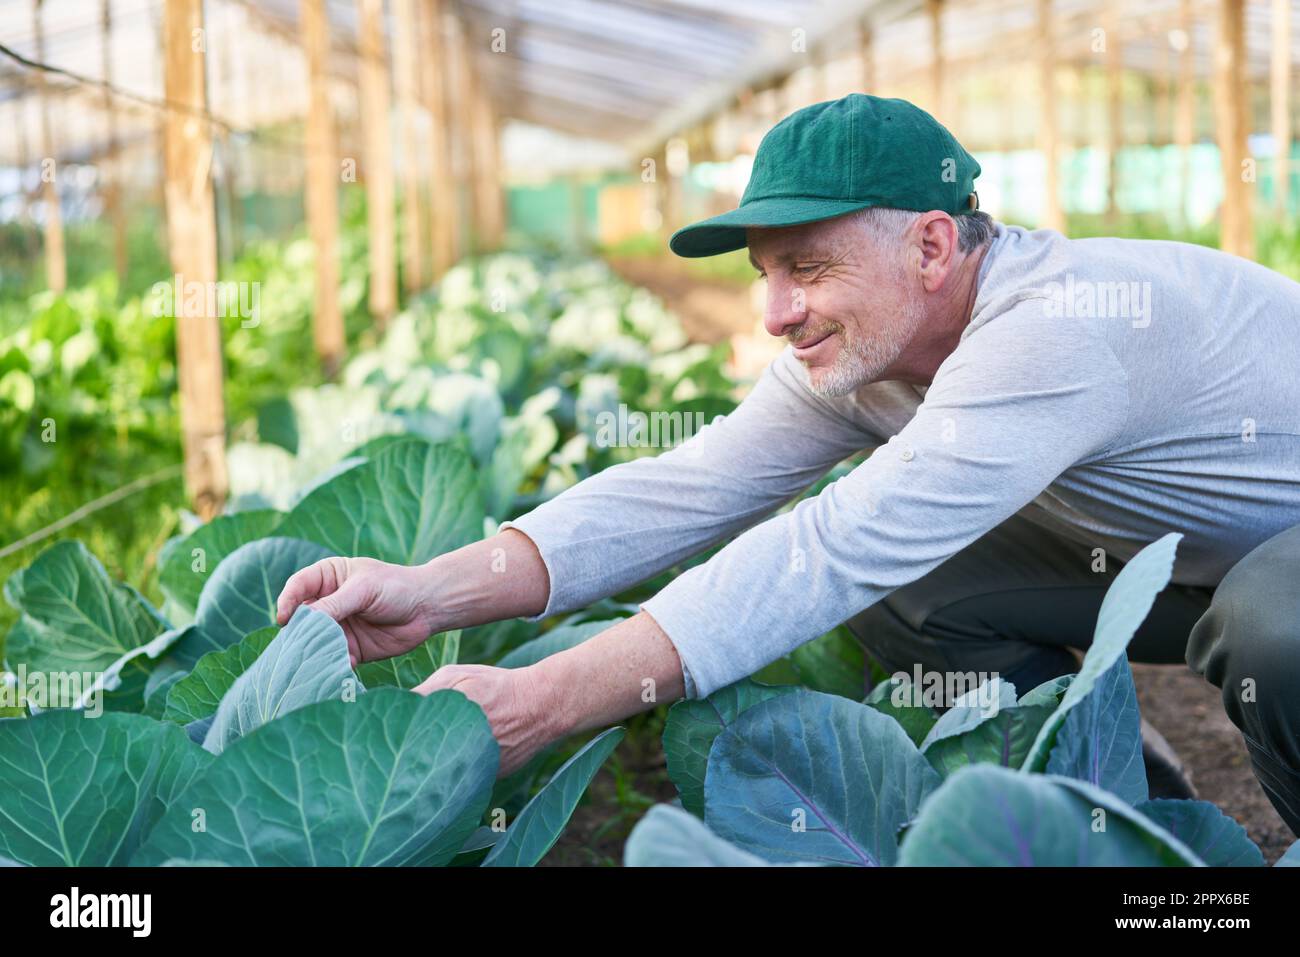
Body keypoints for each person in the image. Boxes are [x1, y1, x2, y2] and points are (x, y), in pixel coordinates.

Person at [276, 94, 1300, 834]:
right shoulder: (870, 348)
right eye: (765, 273)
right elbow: (691, 484)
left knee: (1278, 626)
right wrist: (427, 589)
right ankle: (1134, 815)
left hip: (1269, 565)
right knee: (914, 597)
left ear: (932, 247)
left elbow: (833, 542)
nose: (772, 312)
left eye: (807, 267)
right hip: (1186, 560)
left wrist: (544, 700)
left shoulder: (1055, 329)